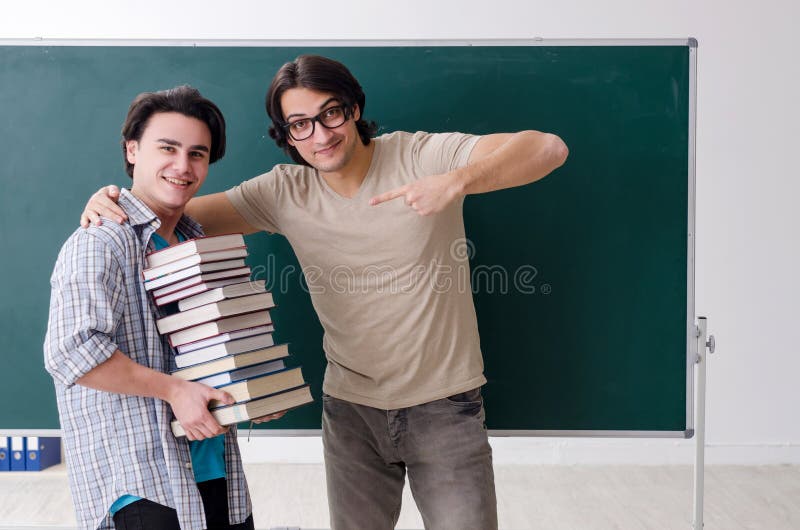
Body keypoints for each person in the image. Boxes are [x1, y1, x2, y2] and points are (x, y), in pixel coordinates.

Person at [81, 55, 569, 530]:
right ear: (287, 135)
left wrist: (456, 181)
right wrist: (112, 200)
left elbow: (547, 148)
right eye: (300, 124)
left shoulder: (421, 155)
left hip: (445, 407)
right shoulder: (284, 191)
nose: (320, 134)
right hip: (351, 413)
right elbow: (172, 212)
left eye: (330, 113)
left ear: (353, 108)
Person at [46, 86, 259, 530]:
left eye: (197, 154)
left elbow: (208, 352)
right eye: (168, 148)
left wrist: (251, 393)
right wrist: (174, 391)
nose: (183, 166)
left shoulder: (195, 242)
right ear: (132, 149)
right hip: (142, 477)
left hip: (213, 461)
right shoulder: (100, 241)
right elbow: (71, 352)